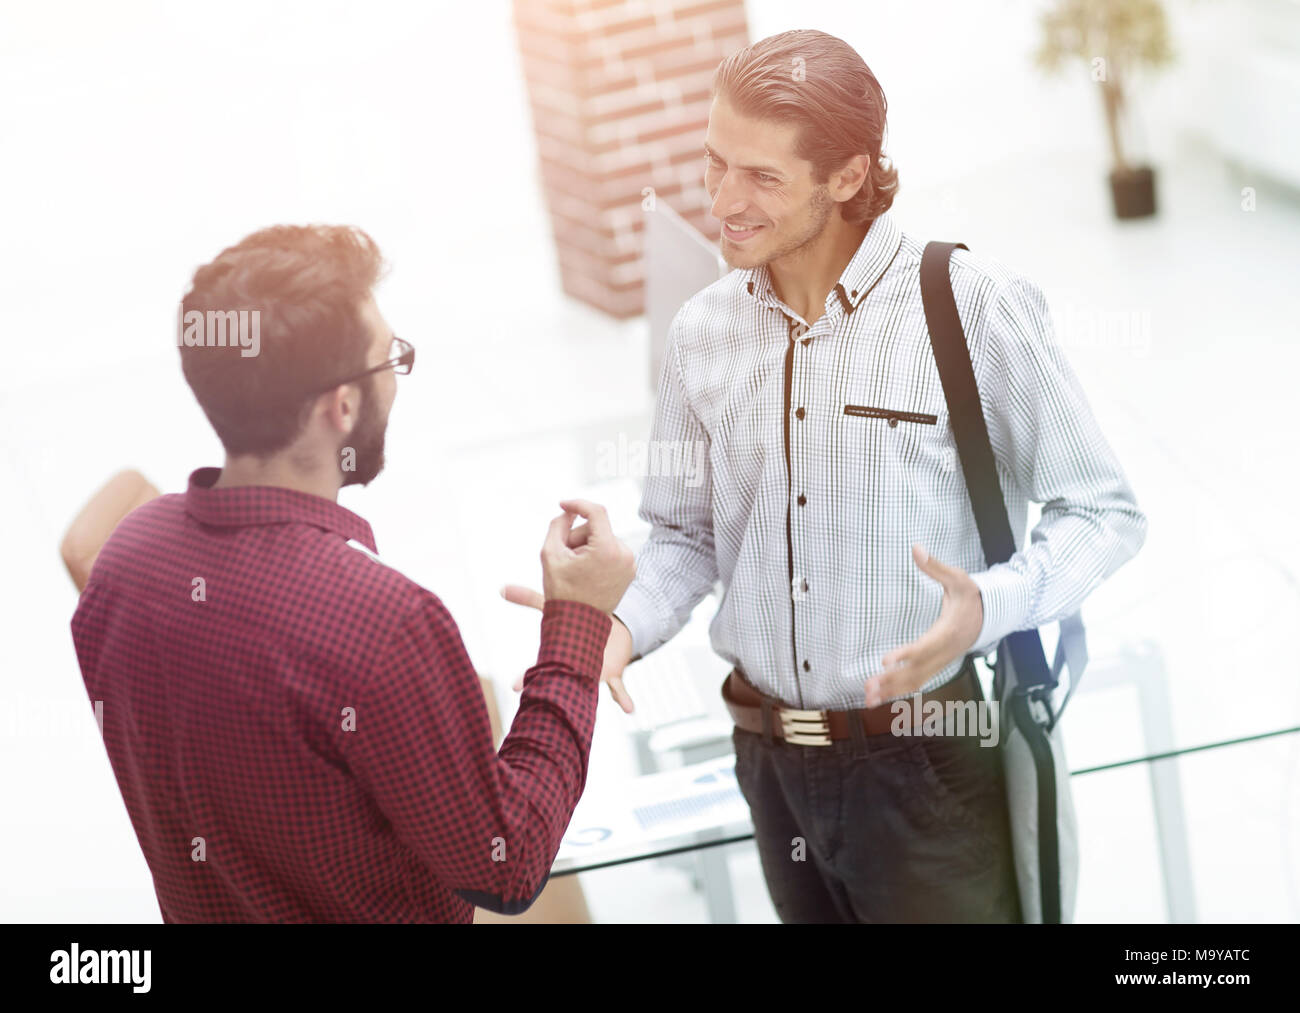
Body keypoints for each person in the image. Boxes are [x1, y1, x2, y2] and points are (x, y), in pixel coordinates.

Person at [509, 29, 1147, 923]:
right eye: (714, 163)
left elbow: (1103, 508)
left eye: (762, 177)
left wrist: (993, 603)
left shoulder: (969, 306)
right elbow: (688, 537)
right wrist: (613, 626)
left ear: (848, 176)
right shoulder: (703, 334)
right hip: (771, 766)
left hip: (928, 762)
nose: (724, 201)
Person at [69, 225, 635, 923]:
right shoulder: (384, 623)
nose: (394, 381)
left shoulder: (126, 562)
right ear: (340, 405)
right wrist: (577, 624)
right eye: (389, 361)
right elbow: (506, 864)